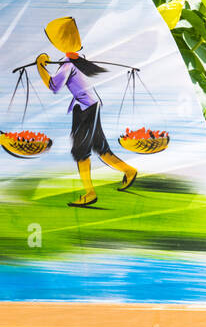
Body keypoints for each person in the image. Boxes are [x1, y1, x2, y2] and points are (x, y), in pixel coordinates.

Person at [36, 16, 137, 207]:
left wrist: (40, 66)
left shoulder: (68, 64)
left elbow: (53, 86)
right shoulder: (77, 60)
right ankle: (129, 171)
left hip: (84, 110)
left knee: (81, 151)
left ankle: (89, 193)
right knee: (100, 147)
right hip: (91, 106)